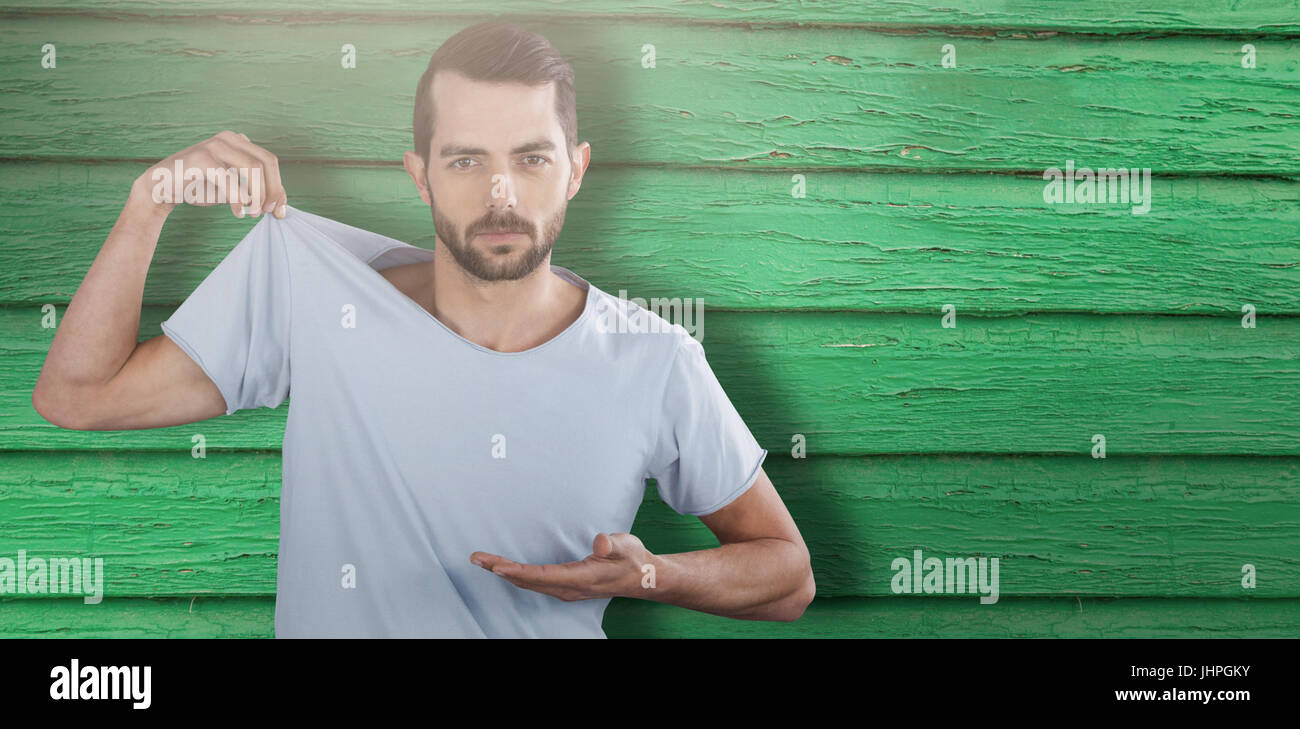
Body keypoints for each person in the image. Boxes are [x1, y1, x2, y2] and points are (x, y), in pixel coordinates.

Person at [31, 21, 813, 637]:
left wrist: (654, 575)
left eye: (532, 159)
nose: (502, 194)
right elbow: (78, 396)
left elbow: (788, 574)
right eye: (467, 161)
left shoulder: (655, 358)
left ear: (575, 168)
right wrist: (150, 200)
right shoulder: (310, 286)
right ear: (421, 173)